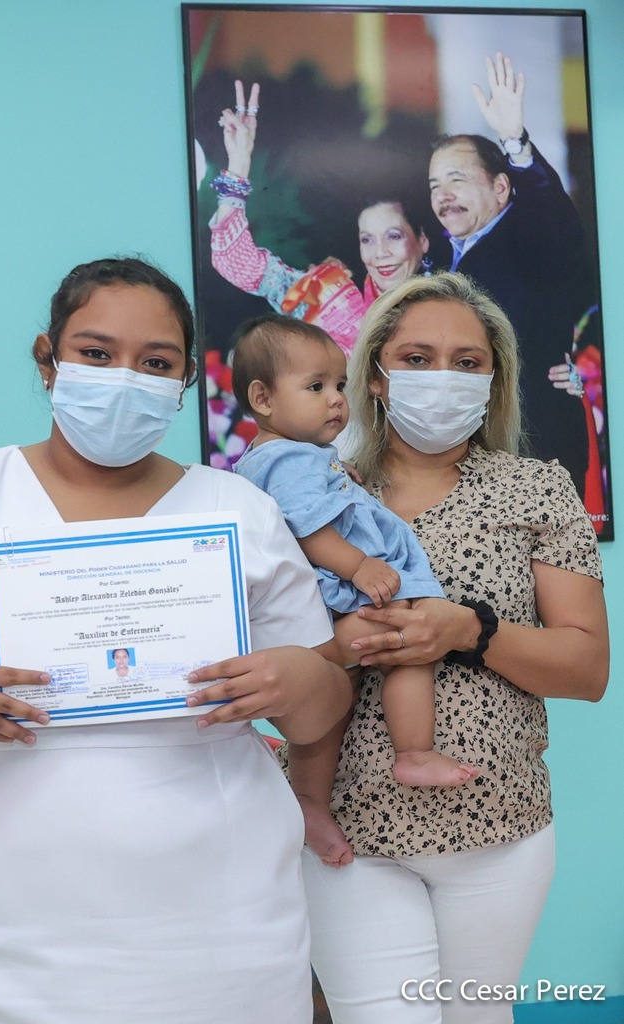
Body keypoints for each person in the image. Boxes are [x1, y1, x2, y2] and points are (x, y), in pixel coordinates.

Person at [0, 257, 354, 1024]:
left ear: (183, 383)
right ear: (47, 359)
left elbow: (321, 710)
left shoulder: (235, 507)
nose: (123, 378)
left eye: (155, 363)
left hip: (221, 931)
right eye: (96, 353)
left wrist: (300, 680)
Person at [291, 271, 608, 1024]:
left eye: (467, 363)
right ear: (374, 376)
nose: (442, 377)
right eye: (417, 357)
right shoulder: (316, 497)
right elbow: (277, 665)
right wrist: (343, 645)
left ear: (493, 380)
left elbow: (585, 669)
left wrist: (471, 629)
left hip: (498, 828)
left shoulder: (536, 489)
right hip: (346, 831)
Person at [231, 313, 477, 862]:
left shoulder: (281, 459)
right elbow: (310, 527)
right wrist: (361, 566)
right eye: (315, 387)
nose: (335, 400)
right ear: (262, 399)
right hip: (342, 585)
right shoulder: (290, 458)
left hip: (317, 603)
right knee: (408, 647)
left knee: (327, 712)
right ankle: (414, 750)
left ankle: (310, 802)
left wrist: (343, 482)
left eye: (340, 385)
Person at [428, 52, 591, 496]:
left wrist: (514, 141)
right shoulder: (443, 254)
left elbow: (556, 219)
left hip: (535, 448)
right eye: (435, 186)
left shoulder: (532, 237)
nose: (443, 196)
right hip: (464, 457)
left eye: (457, 180)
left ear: (501, 188)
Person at [210, 80, 432, 356]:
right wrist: (239, 165)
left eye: (394, 236)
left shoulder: (450, 306)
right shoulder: (328, 294)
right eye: (367, 239)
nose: (381, 253)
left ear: (422, 240)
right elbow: (234, 262)